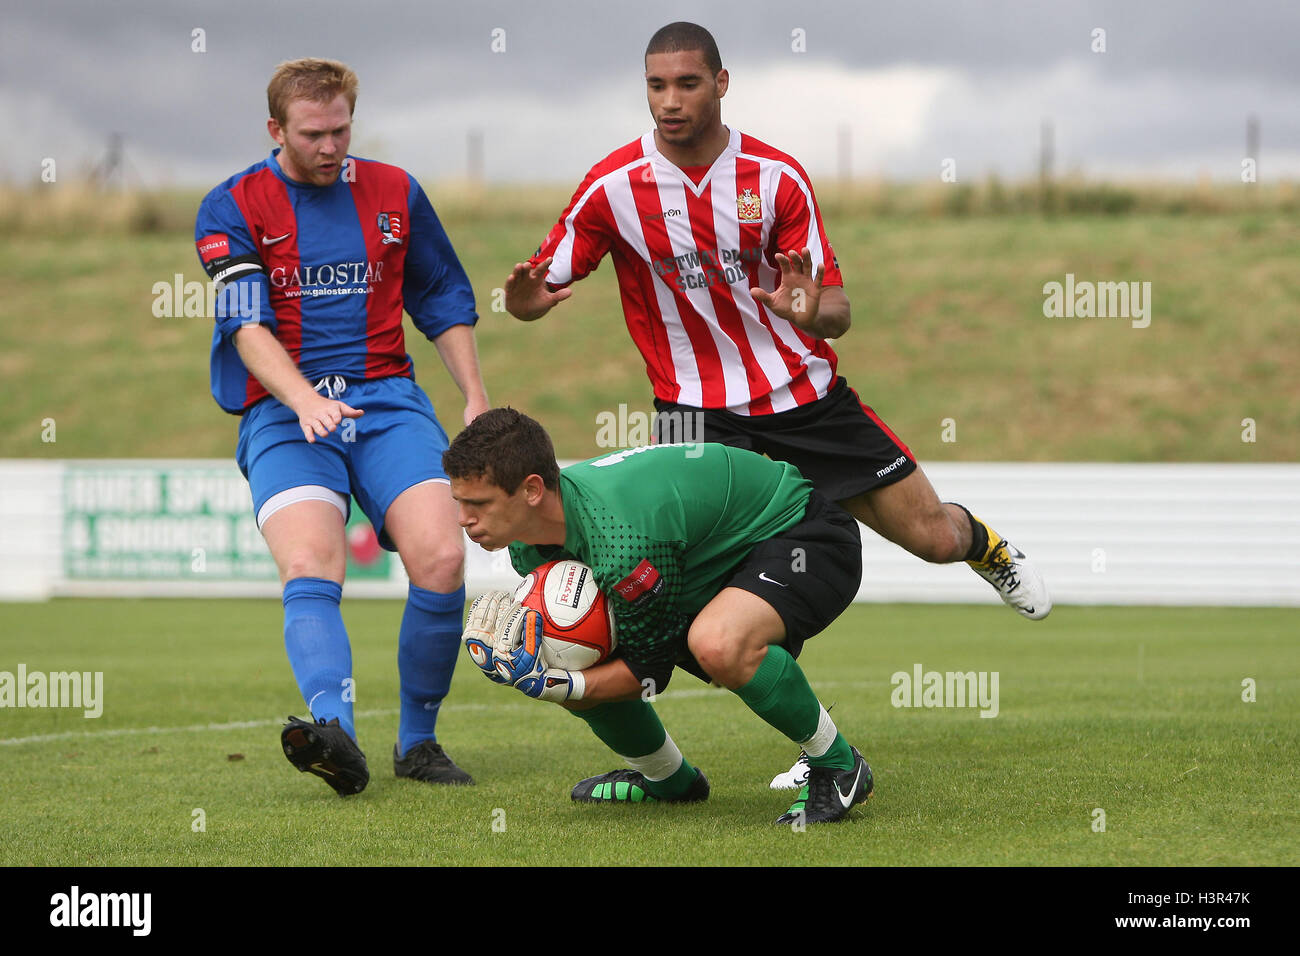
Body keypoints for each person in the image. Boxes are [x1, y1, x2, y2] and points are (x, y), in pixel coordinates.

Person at [503, 22, 1050, 787]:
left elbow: (837, 311)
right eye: (656, 86)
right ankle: (799, 749)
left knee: (929, 537)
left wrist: (808, 309)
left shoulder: (777, 178)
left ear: (722, 84)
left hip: (804, 398)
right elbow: (535, 290)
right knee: (699, 617)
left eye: (687, 84)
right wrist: (522, 300)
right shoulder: (612, 189)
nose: (669, 101)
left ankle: (983, 544)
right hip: (697, 421)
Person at [194, 58, 487, 796]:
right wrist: (302, 400)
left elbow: (442, 297)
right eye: (313, 134)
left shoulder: (394, 192)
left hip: (387, 401)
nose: (330, 147)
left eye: (341, 130)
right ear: (276, 130)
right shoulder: (233, 204)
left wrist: (475, 397)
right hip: (285, 414)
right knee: (311, 566)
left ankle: (417, 742)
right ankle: (337, 736)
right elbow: (246, 327)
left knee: (442, 559)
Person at [445, 407, 871, 825]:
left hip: (806, 536)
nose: (464, 519)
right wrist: (560, 674)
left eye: (478, 503)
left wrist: (555, 686)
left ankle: (838, 765)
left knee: (717, 643)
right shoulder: (527, 544)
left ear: (532, 490)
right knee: (570, 650)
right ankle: (669, 781)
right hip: (711, 558)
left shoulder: (622, 541)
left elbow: (649, 670)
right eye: (459, 502)